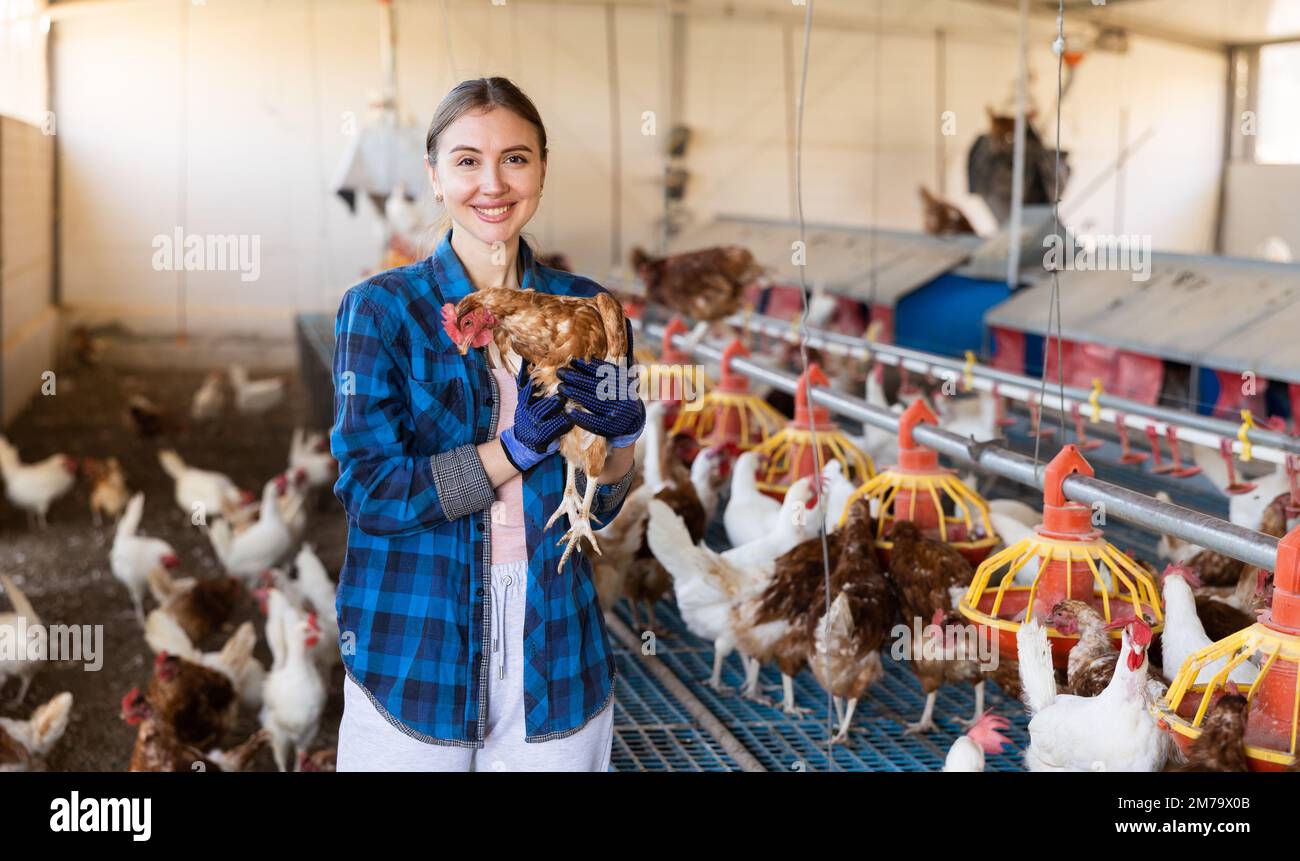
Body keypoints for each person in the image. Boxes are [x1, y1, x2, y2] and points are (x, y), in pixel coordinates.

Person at [330, 77, 644, 771]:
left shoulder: (592, 307)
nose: (492, 182)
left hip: (553, 638)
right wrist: (512, 449)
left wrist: (619, 446)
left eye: (516, 158)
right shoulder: (381, 311)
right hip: (416, 634)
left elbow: (609, 495)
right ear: (434, 177)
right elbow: (372, 493)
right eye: (467, 160)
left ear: (541, 170)